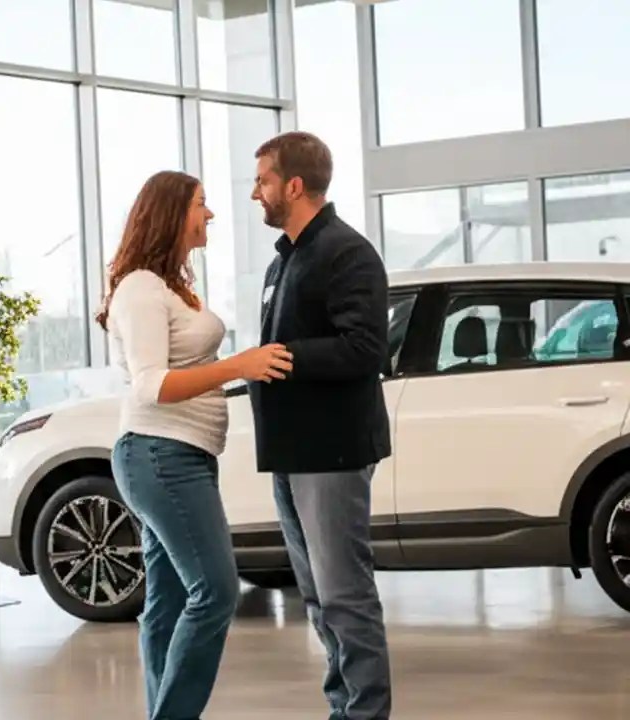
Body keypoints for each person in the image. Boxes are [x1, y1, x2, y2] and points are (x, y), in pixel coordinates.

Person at [99, 170, 294, 719]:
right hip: (159, 455)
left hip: (183, 455)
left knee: (167, 604)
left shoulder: (171, 286)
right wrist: (239, 365)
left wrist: (240, 373)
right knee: (216, 591)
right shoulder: (140, 288)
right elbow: (150, 384)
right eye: (200, 204)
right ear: (169, 213)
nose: (209, 214)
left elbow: (191, 369)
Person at [248, 132, 393, 719]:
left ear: (294, 185)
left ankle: (364, 714)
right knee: (316, 598)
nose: (256, 192)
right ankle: (343, 708)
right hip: (291, 452)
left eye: (262, 180)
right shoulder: (285, 259)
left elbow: (364, 349)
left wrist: (281, 358)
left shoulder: (346, 253)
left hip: (331, 453)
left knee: (345, 596)